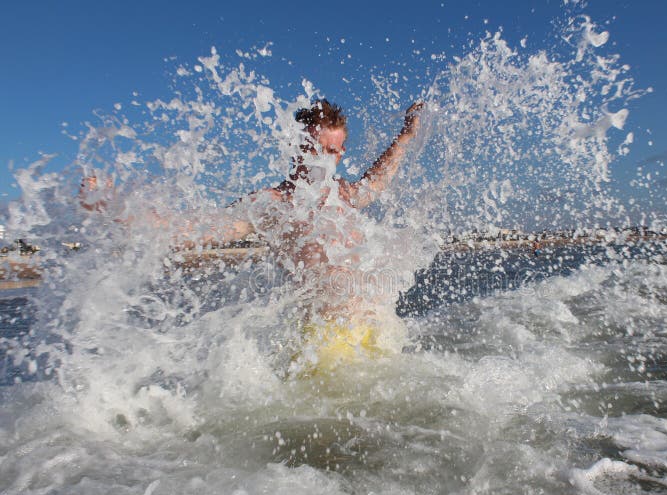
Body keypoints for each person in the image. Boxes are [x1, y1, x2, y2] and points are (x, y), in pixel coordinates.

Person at [81, 98, 425, 372]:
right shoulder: (272, 205)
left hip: (377, 331)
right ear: (298, 147)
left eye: (333, 152)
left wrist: (405, 136)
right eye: (317, 150)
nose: (326, 160)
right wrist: (116, 208)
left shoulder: (344, 195)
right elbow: (190, 230)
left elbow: (376, 181)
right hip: (327, 344)